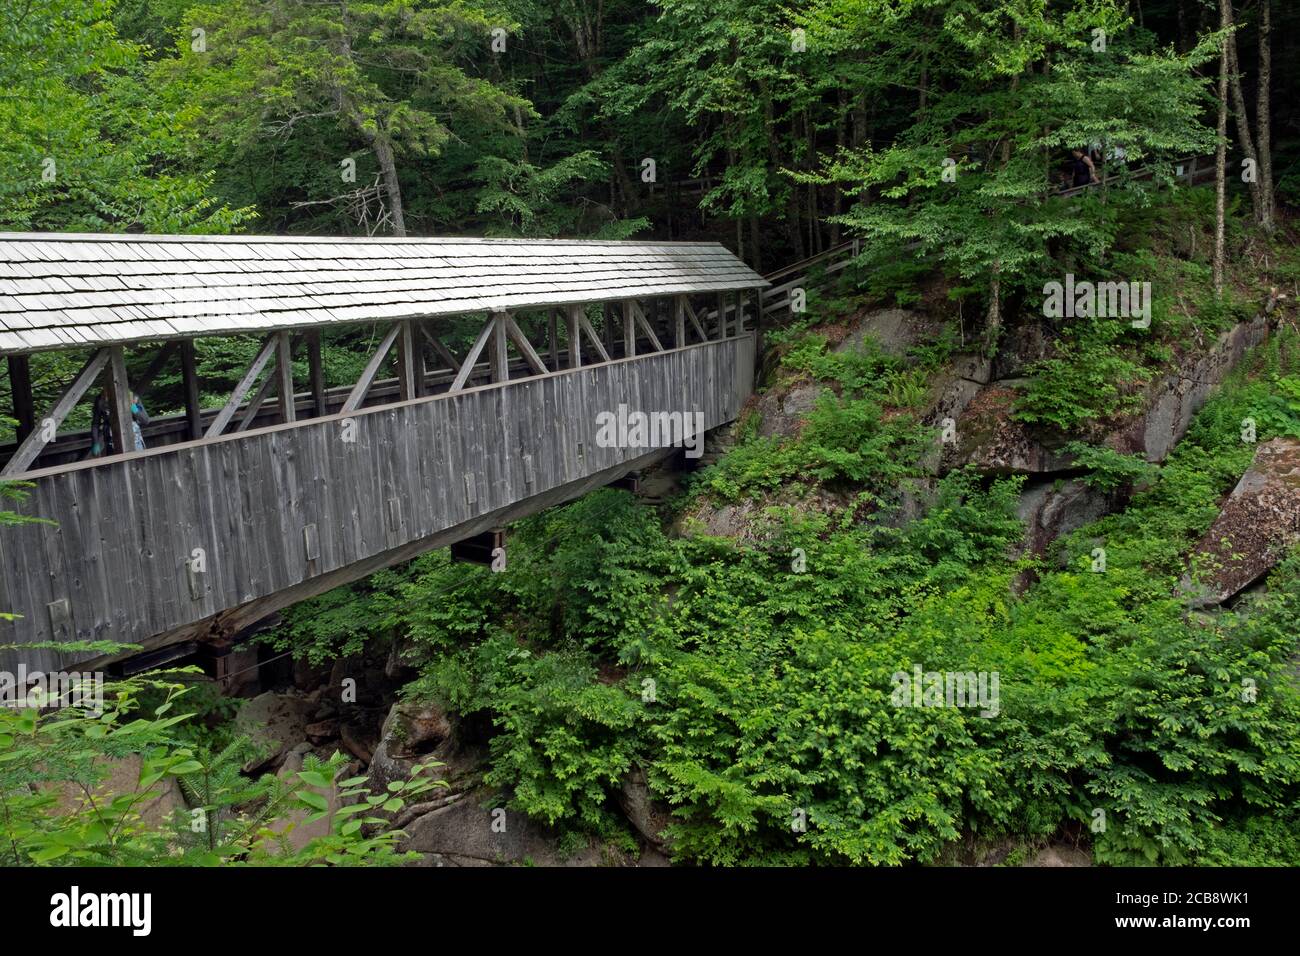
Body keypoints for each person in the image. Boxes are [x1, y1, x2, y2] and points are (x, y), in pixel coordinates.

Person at [90, 390, 150, 456]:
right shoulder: (100, 400)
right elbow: (95, 424)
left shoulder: (131, 396)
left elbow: (146, 420)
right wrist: (95, 442)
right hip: (112, 443)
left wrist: (133, 408)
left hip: (134, 441)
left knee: (139, 464)